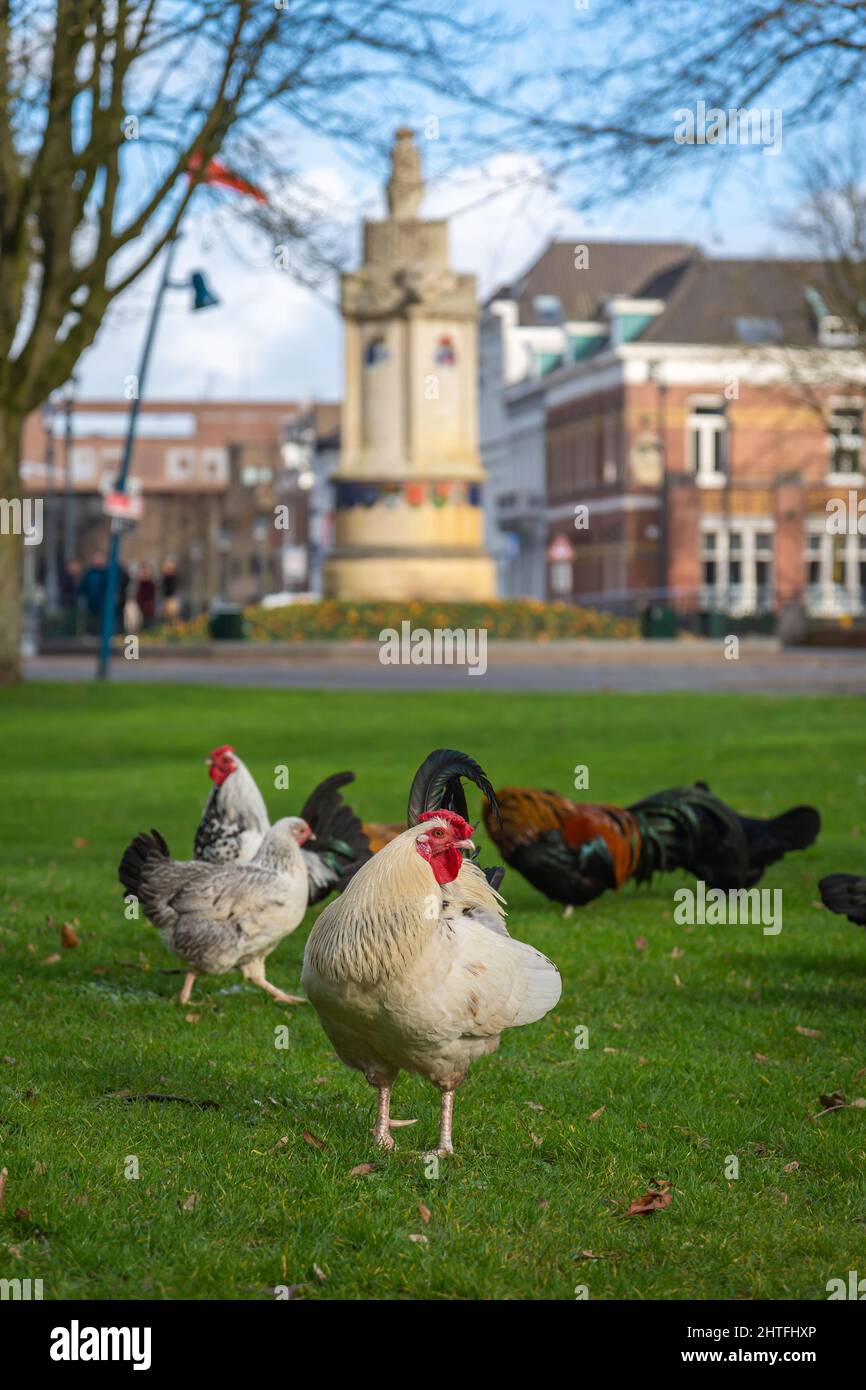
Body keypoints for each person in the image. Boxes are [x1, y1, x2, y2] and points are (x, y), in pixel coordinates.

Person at [78, 550, 107, 637]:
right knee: (91, 619)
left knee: (102, 619)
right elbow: (83, 586)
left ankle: (101, 633)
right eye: (95, 558)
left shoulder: (106, 573)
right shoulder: (89, 573)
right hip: (91, 602)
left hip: (102, 601)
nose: (97, 560)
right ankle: (91, 633)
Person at [161, 559, 180, 624]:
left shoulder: (173, 577)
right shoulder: (165, 577)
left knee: (172, 616)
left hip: (172, 599)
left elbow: (172, 588)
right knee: (167, 617)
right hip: (166, 598)